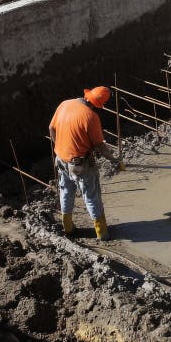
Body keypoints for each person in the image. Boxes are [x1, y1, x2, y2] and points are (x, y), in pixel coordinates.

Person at [49, 86, 123, 240]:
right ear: (98, 104)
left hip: (61, 159)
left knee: (66, 191)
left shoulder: (65, 104)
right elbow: (100, 146)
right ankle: (102, 233)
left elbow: (51, 128)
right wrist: (115, 160)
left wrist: (60, 147)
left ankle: (68, 227)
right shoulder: (91, 116)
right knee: (91, 196)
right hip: (79, 165)